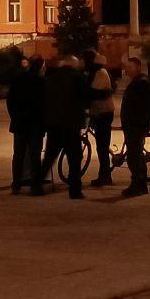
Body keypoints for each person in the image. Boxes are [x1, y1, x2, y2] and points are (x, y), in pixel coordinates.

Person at [41, 55, 87, 199]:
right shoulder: (77, 77)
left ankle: (36, 185)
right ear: (74, 65)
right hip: (71, 124)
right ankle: (75, 190)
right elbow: (85, 97)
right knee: (75, 158)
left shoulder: (51, 78)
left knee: (49, 156)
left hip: (54, 123)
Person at [7, 56, 46, 194]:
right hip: (36, 124)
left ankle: (16, 185)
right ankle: (35, 186)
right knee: (35, 156)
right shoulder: (42, 82)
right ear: (41, 66)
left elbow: (10, 100)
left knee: (18, 155)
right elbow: (46, 104)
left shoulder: (18, 79)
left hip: (20, 123)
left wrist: (14, 116)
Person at [120, 55, 150, 197]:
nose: (127, 70)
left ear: (138, 67)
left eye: (130, 67)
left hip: (136, 125)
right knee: (136, 156)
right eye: (126, 67)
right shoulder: (138, 82)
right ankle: (141, 185)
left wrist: (136, 122)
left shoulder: (141, 83)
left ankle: (137, 185)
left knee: (134, 157)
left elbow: (140, 106)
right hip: (134, 124)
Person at [83, 49, 116, 187]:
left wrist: (84, 90)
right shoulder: (92, 72)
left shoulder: (100, 72)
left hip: (104, 112)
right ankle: (104, 174)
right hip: (97, 112)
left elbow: (94, 92)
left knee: (102, 146)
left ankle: (105, 176)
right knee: (101, 146)